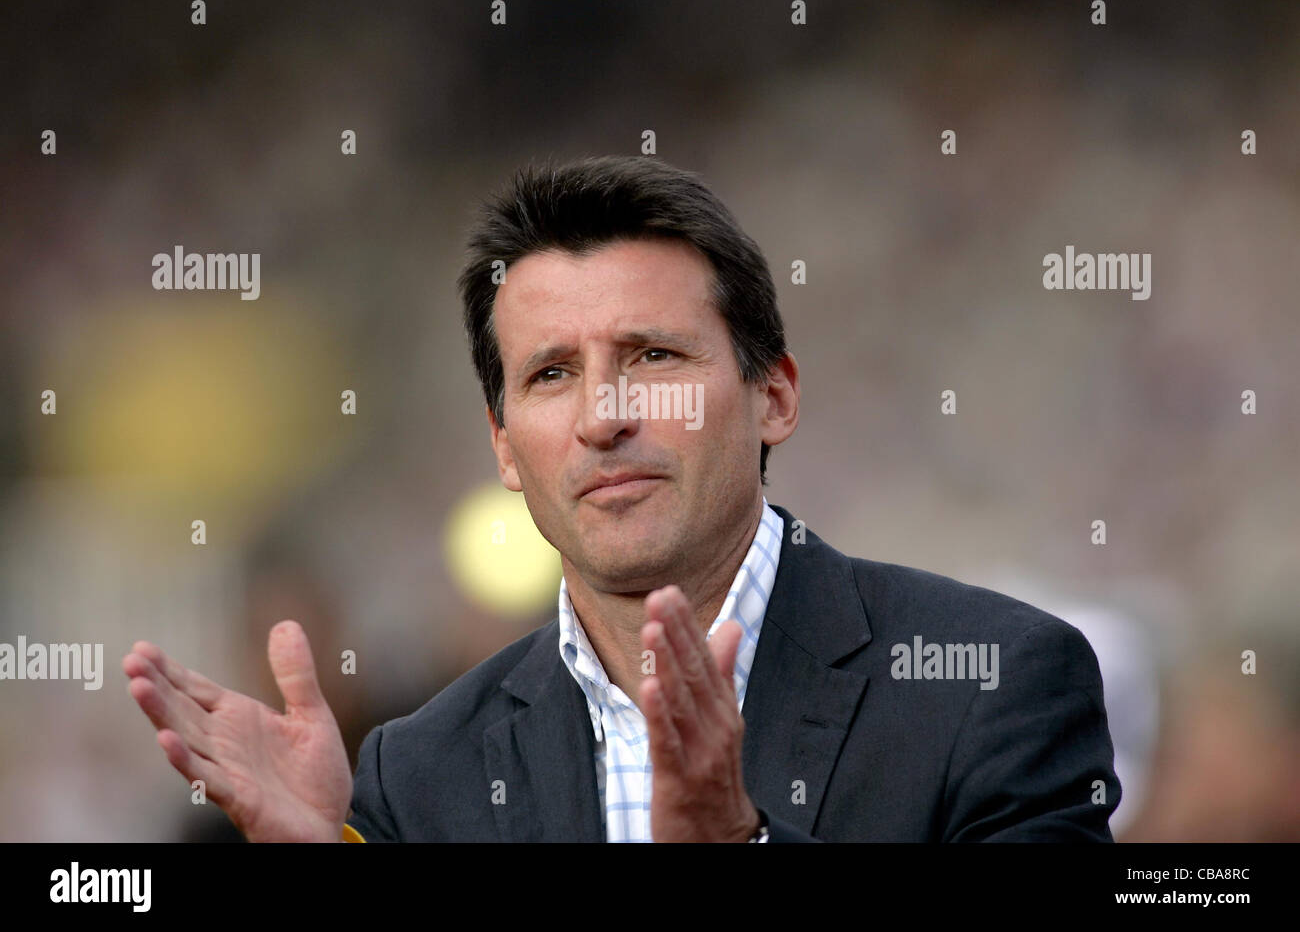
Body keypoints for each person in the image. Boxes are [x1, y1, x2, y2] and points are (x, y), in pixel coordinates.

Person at [123, 155, 1121, 842]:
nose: (603, 415)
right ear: (505, 447)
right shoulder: (413, 771)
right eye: (552, 374)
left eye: (651, 355)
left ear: (772, 394)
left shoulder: (995, 683)